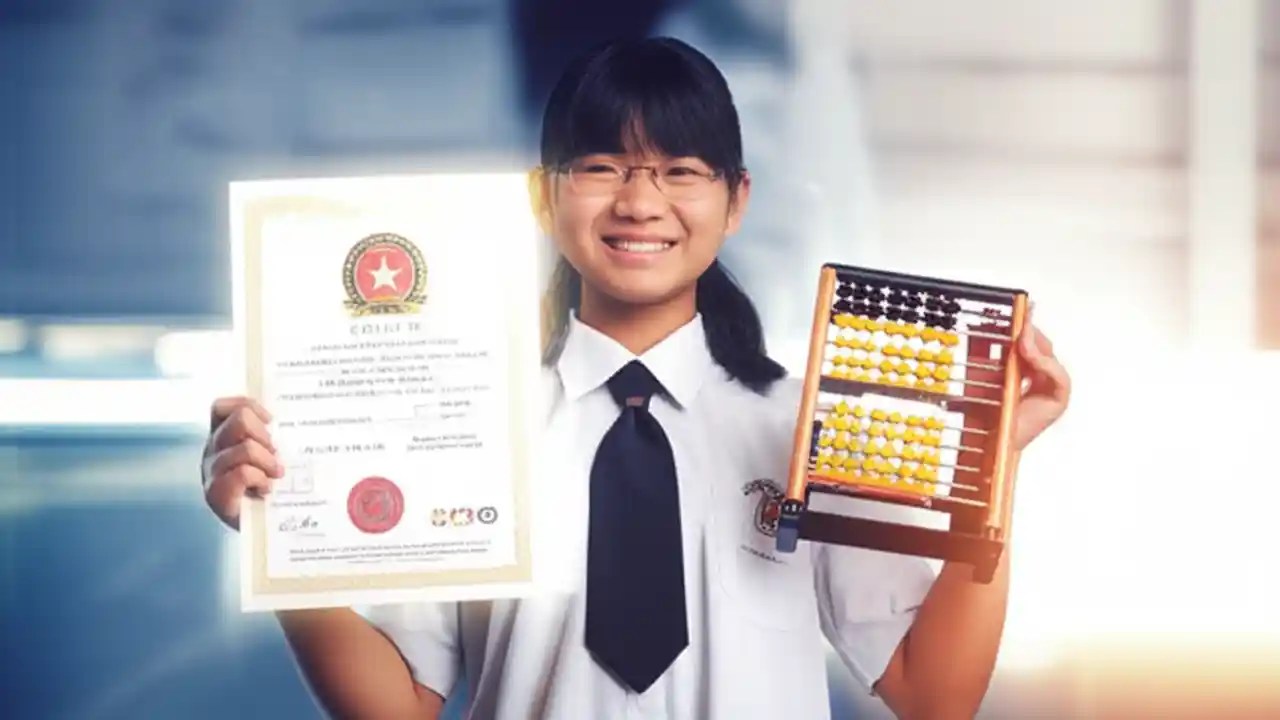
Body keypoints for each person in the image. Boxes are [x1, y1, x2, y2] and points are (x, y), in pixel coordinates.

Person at [202, 37, 1071, 720]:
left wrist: (994, 467)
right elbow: (396, 708)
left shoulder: (808, 425)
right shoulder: (463, 421)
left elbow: (934, 695)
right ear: (544, 200)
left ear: (736, 201)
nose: (639, 202)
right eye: (601, 166)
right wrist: (280, 539)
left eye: (681, 172)